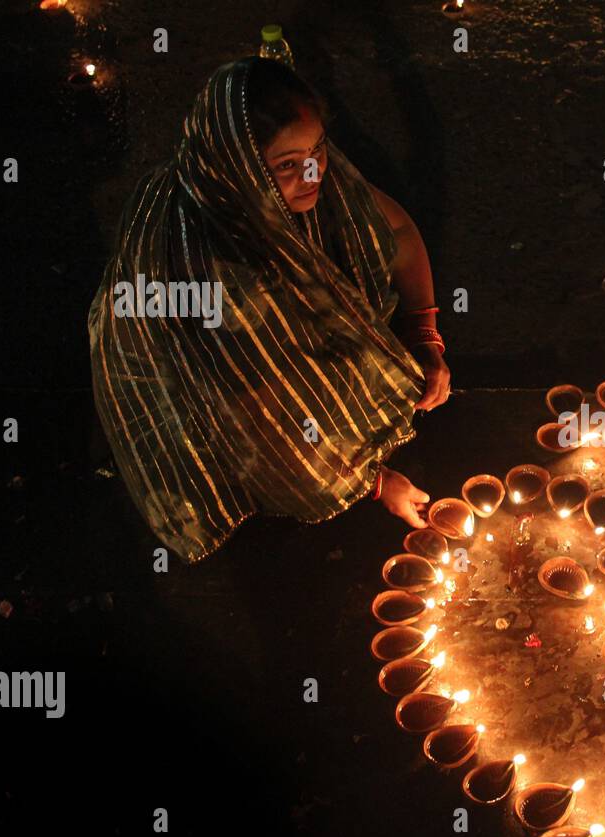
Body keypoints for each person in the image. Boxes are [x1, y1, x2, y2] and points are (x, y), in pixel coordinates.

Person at [88, 57, 449, 562]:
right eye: (286, 164)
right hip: (202, 395)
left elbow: (399, 232)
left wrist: (425, 334)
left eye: (318, 148)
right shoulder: (206, 265)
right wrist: (374, 483)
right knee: (254, 477)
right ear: (239, 166)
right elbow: (265, 427)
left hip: (260, 356)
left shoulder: (307, 172)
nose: (312, 171)